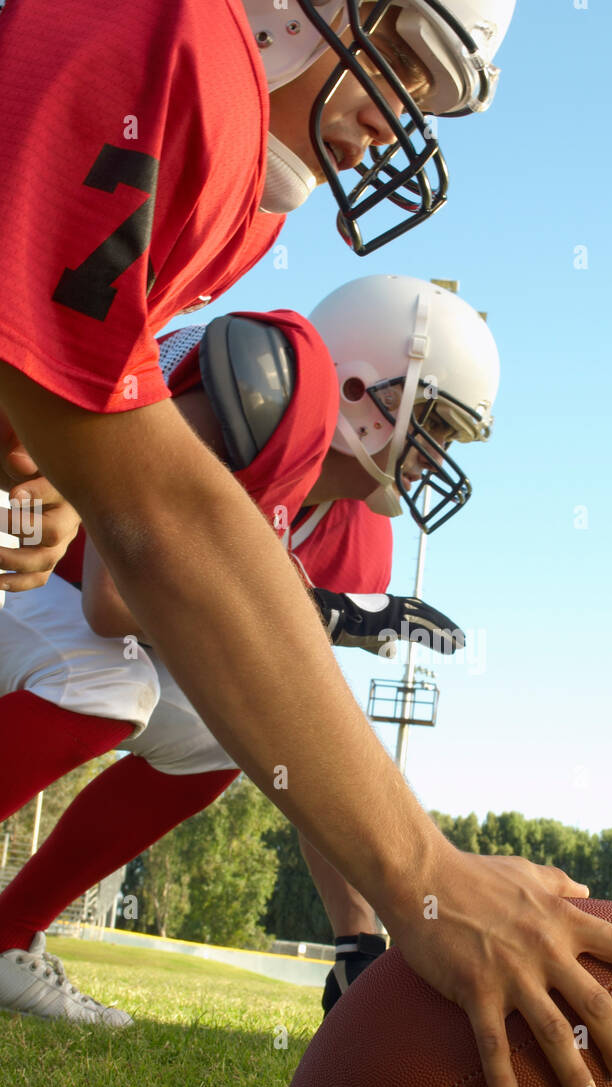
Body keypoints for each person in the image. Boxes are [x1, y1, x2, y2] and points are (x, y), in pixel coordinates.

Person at [0, 1, 612, 1087]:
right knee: (115, 676)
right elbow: (150, 543)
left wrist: (40, 485)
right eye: (403, 59)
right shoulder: (176, 53)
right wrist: (427, 877)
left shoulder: (237, 213)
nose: (400, 116)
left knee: (222, 722)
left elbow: (283, 709)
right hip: (70, 627)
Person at [0, 276, 493, 1021]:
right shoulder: (268, 391)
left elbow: (303, 725)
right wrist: (318, 611)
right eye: (434, 421)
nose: (437, 453)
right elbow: (110, 602)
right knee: (109, 682)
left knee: (221, 736)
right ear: (358, 383)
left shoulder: (357, 535)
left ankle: (9, 937)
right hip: (28, 556)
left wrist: (355, 939)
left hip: (63, 611)